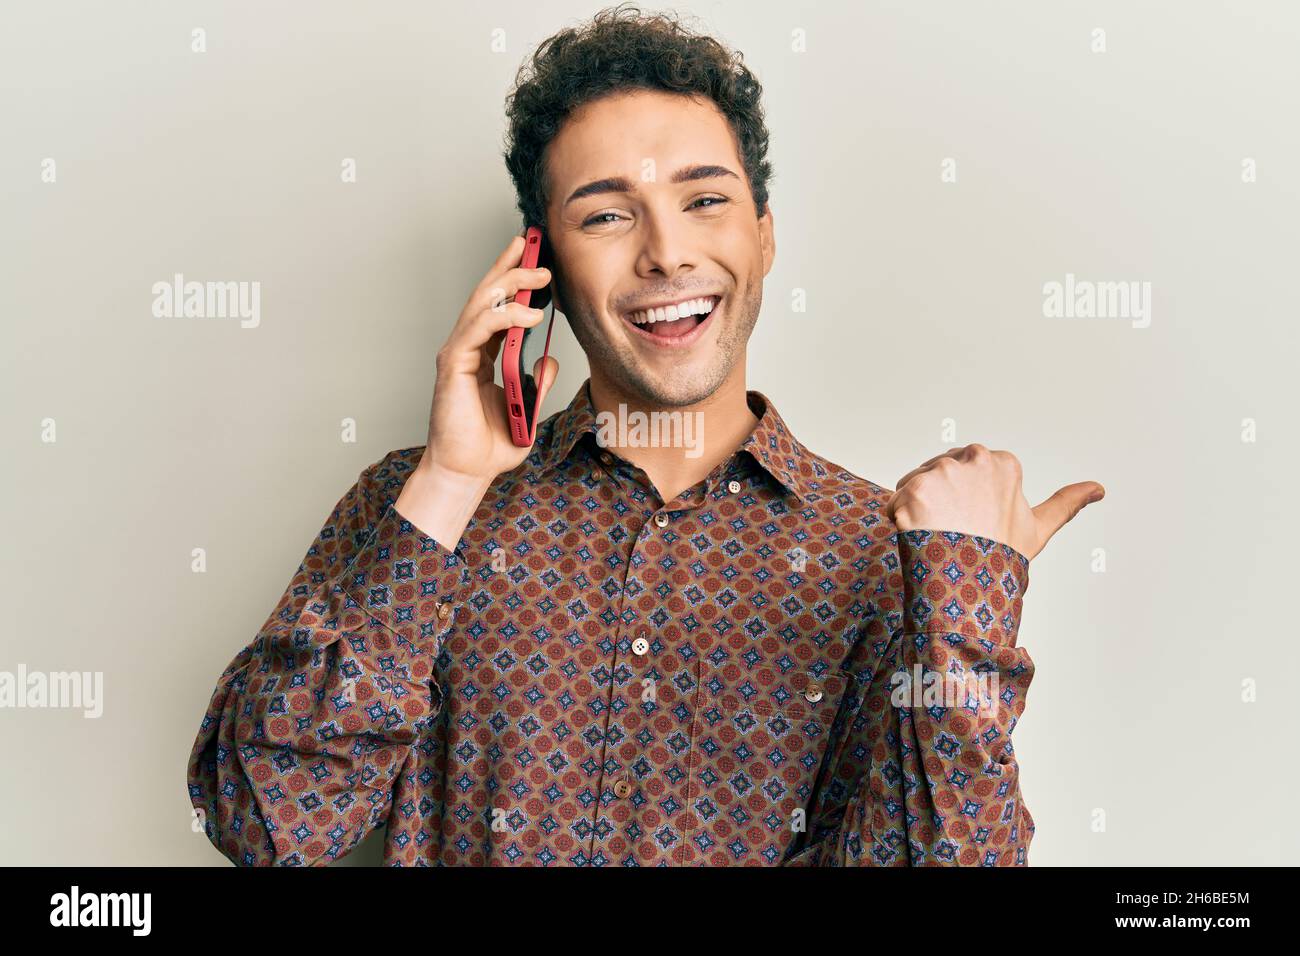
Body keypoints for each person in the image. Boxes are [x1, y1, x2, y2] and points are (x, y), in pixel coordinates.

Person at [187, 3, 1103, 866]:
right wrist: (447, 484)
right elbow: (266, 822)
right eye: (607, 214)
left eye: (705, 201)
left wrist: (965, 604)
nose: (666, 252)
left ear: (765, 235)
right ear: (538, 263)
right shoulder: (420, 502)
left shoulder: (882, 556)